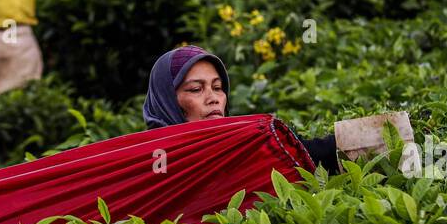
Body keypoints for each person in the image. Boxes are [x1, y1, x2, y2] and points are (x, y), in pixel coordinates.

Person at [141, 45, 346, 174]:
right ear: (166, 101)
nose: (213, 99)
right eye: (196, 89)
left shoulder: (246, 147)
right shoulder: (145, 166)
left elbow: (310, 153)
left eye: (218, 88)